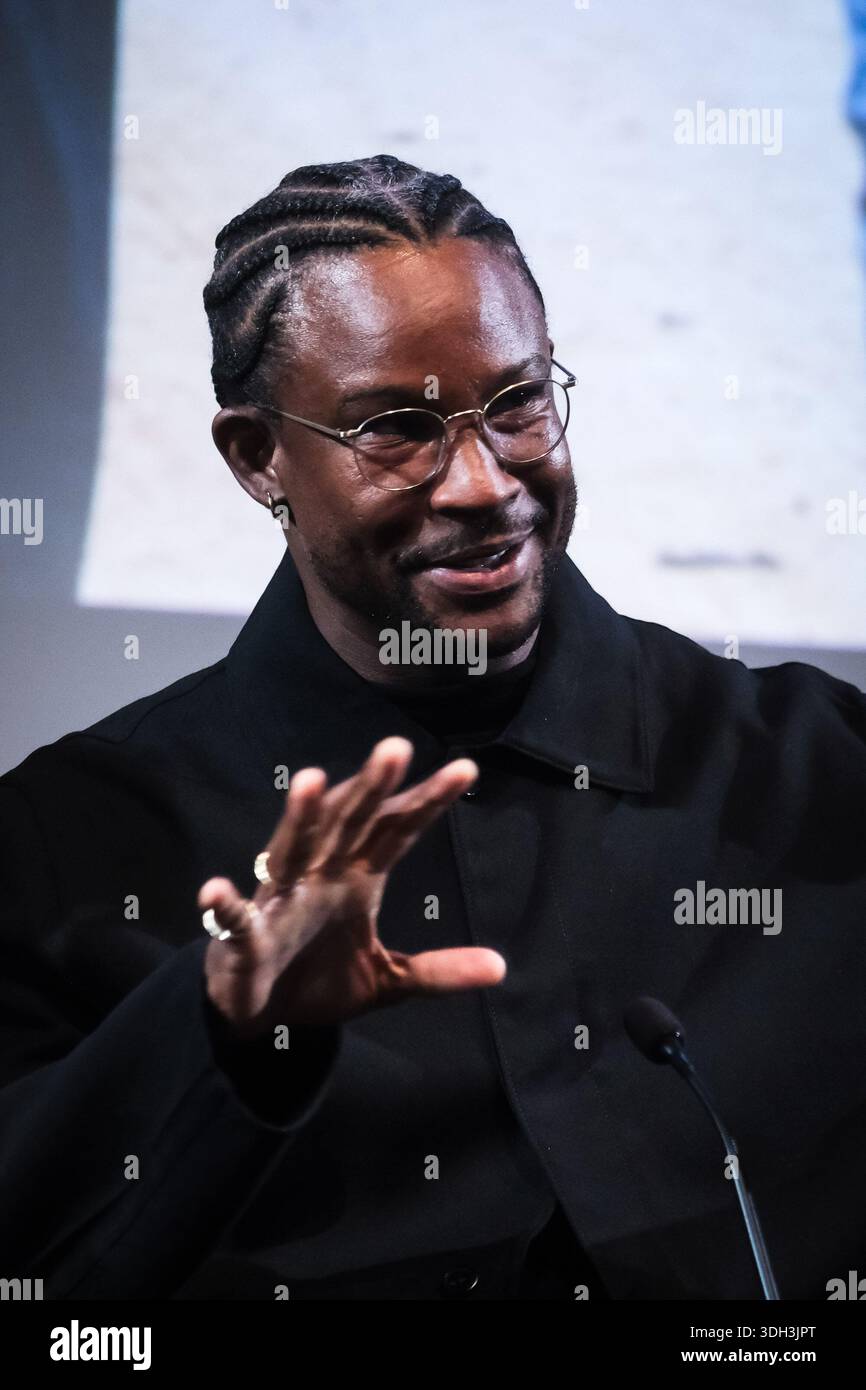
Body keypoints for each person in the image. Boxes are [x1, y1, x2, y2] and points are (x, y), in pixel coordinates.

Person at [1, 154, 865, 1301]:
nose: (479, 482)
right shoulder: (65, 846)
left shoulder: (819, 770)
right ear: (258, 456)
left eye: (515, 403)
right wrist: (222, 1035)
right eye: (396, 428)